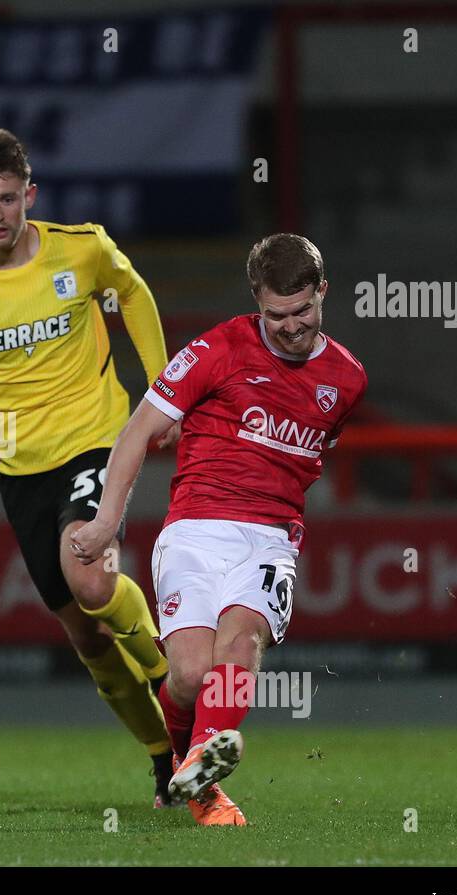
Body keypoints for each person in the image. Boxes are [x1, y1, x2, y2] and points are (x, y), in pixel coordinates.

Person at [0, 128, 180, 806]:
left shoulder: (82, 247)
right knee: (86, 634)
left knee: (91, 576)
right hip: (21, 468)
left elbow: (135, 295)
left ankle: (169, 676)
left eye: (9, 199)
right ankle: (163, 756)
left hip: (96, 438)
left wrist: (163, 390)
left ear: (30, 194)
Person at [71, 233, 367, 825]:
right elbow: (136, 434)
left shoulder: (348, 379)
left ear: (323, 293)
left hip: (272, 538)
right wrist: (107, 521)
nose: (291, 326)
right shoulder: (215, 349)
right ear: (256, 301)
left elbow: (314, 453)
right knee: (186, 676)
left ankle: (206, 785)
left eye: (303, 311)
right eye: (276, 315)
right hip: (195, 529)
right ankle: (191, 761)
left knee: (241, 644)